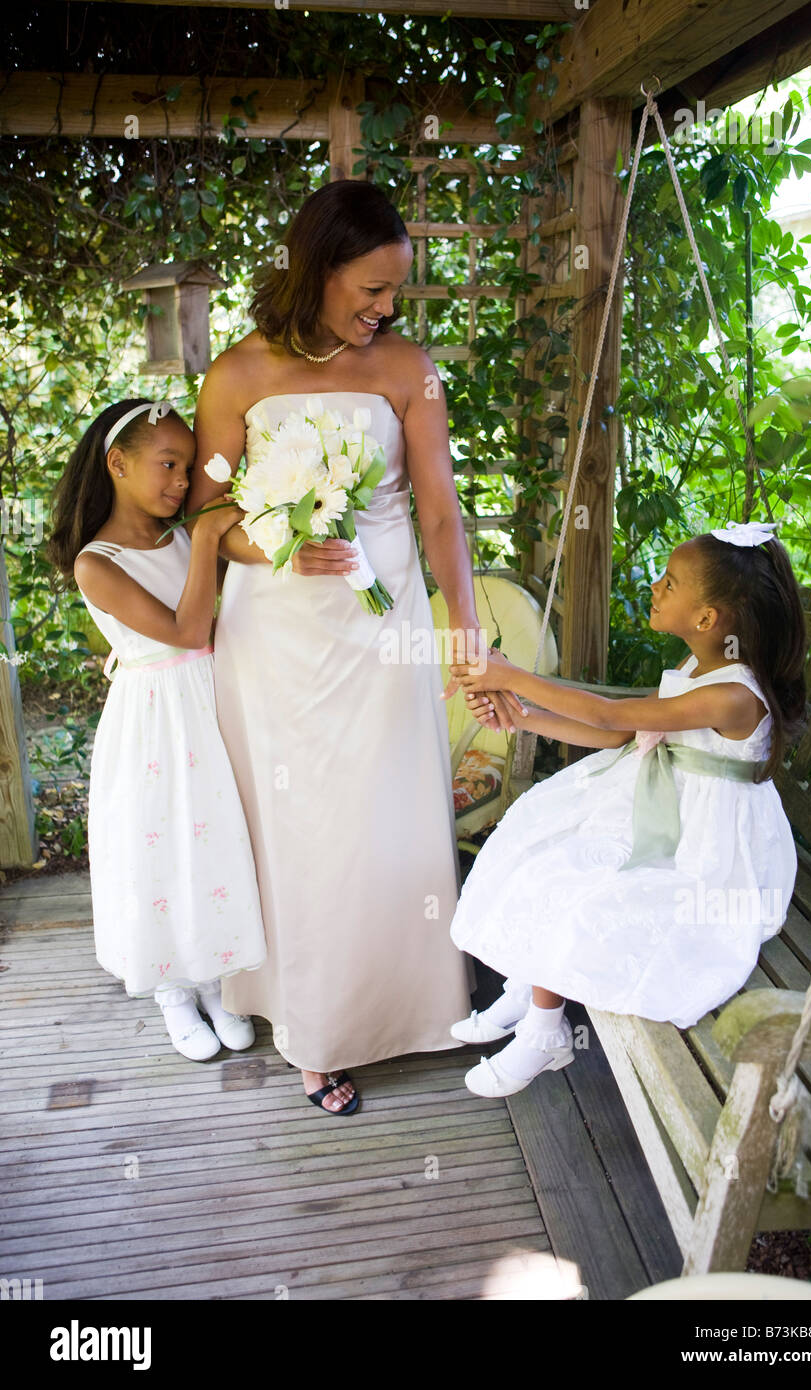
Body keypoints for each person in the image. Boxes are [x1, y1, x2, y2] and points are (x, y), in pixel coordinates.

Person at [184, 180, 509, 1115]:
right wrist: (274, 537)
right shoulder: (237, 376)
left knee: (388, 812)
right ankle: (317, 1030)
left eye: (394, 290)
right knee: (303, 829)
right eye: (370, 288)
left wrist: (463, 619)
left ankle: (409, 1008)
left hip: (385, 622)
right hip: (277, 634)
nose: (386, 308)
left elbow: (439, 507)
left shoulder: (409, 368)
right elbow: (212, 508)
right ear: (318, 270)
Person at [446, 520, 808, 1097]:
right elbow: (619, 736)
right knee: (541, 843)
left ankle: (547, 1034)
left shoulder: (733, 694)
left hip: (706, 844)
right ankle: (529, 982)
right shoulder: (699, 669)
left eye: (670, 582)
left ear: (708, 618)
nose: (656, 588)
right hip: (659, 805)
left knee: (583, 886)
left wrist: (511, 675)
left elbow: (612, 718)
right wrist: (521, 714)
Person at [47, 398, 268, 1061]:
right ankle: (171, 989)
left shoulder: (177, 536)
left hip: (211, 701)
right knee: (158, 844)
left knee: (211, 838)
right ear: (118, 463)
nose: (182, 482)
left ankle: (210, 973)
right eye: (168, 465)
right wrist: (204, 538)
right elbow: (186, 629)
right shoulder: (97, 562)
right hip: (153, 718)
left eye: (189, 467)